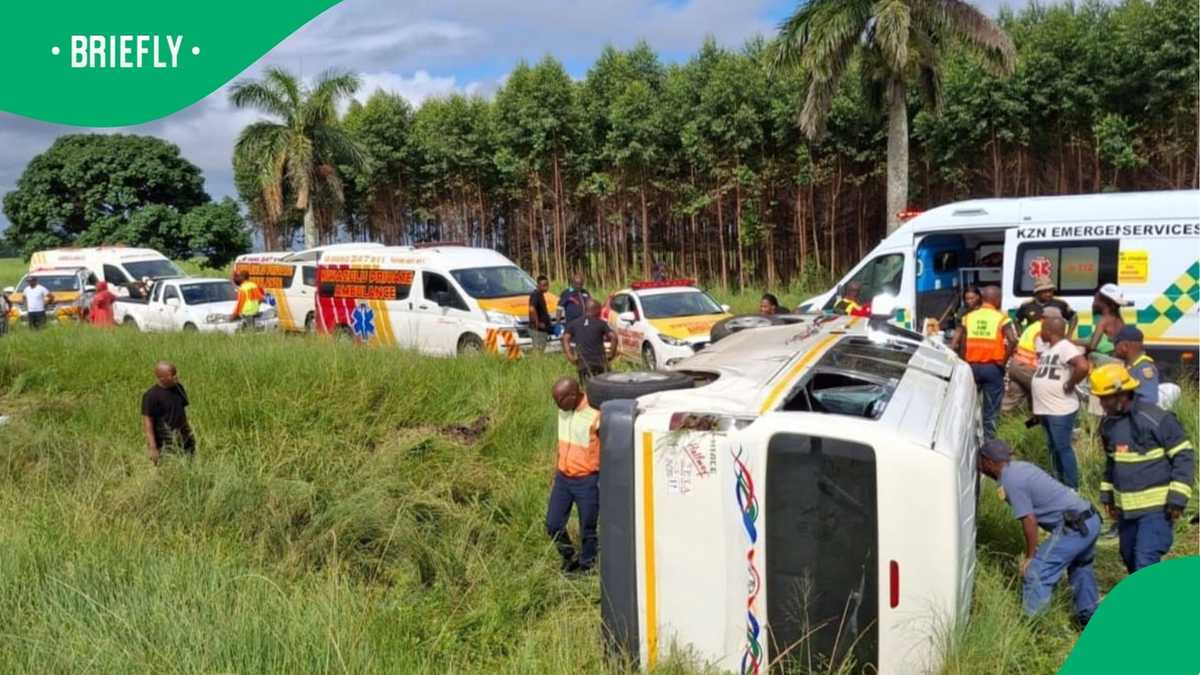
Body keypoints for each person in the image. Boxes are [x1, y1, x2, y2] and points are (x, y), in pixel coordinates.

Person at [977, 439, 1100, 628]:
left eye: (980, 463)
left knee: (1037, 572)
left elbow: (1029, 521)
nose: (979, 467)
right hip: (1090, 520)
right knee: (1080, 566)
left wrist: (1030, 556)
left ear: (988, 462)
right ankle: (1090, 618)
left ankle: (1036, 628)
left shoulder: (1010, 480)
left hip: (1074, 527)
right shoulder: (1019, 467)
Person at [1092, 363, 1194, 573]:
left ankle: (1151, 606)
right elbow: (1112, 464)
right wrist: (1108, 497)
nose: (1102, 404)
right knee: (1129, 557)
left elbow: (1184, 455)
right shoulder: (1109, 425)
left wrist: (1177, 498)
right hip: (1127, 512)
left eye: (1105, 398)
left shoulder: (1157, 419)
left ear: (1121, 393)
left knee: (1145, 561)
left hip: (1158, 509)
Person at [546, 377, 601, 573]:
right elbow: (561, 444)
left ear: (573, 395)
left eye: (559, 400)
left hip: (587, 480)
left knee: (588, 528)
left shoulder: (595, 414)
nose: (557, 405)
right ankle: (568, 556)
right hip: (563, 478)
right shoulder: (563, 410)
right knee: (552, 524)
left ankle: (587, 565)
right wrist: (555, 471)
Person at [1031, 314, 1090, 489]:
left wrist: (1071, 384)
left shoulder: (1065, 346)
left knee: (1062, 447)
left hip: (1060, 409)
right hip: (1046, 409)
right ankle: (1058, 484)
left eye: (1042, 329)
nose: (1040, 332)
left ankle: (1072, 488)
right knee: (1052, 448)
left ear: (1049, 331)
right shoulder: (1050, 349)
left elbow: (1083, 366)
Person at [954, 285, 1017, 439]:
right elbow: (1013, 340)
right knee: (991, 410)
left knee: (967, 405)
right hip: (993, 369)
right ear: (996, 299)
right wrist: (1003, 361)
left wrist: (963, 363)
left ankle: (965, 438)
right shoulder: (1002, 318)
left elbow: (958, 343)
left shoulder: (968, 317)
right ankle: (988, 443)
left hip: (971, 368)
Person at [141, 361, 196, 464]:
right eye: (173, 375)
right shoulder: (151, 396)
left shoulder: (178, 388)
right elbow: (147, 423)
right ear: (162, 378)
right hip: (166, 443)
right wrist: (152, 447)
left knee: (190, 465)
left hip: (185, 439)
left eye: (176, 373)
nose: (177, 376)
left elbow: (182, 412)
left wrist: (189, 432)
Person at [563, 299, 616, 382]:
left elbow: (565, 338)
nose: (600, 313)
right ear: (595, 310)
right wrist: (611, 355)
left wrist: (570, 356)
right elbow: (613, 337)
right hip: (600, 363)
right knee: (604, 387)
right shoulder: (601, 323)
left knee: (586, 388)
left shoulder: (574, 323)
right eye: (599, 310)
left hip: (583, 364)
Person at [1078, 284, 1131, 357]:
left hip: (1111, 356)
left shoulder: (1103, 321)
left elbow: (1092, 346)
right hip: (1118, 354)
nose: (1094, 300)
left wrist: (1073, 342)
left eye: (1096, 299)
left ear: (1103, 302)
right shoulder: (1119, 318)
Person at [1113, 326, 1159, 407]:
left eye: (1115, 344)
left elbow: (1149, 400)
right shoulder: (1132, 366)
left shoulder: (1144, 368)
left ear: (1125, 346)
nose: (1114, 348)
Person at [947, 287, 982, 352]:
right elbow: (959, 330)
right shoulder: (962, 311)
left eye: (972, 298)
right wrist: (951, 348)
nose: (969, 301)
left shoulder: (985, 309)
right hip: (967, 342)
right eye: (967, 299)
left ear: (978, 297)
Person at [528, 275, 552, 352]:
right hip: (537, 330)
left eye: (547, 285)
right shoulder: (535, 295)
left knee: (541, 350)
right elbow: (532, 309)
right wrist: (537, 323)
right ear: (538, 285)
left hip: (542, 329)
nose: (546, 287)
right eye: (544, 285)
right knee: (538, 351)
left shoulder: (540, 295)